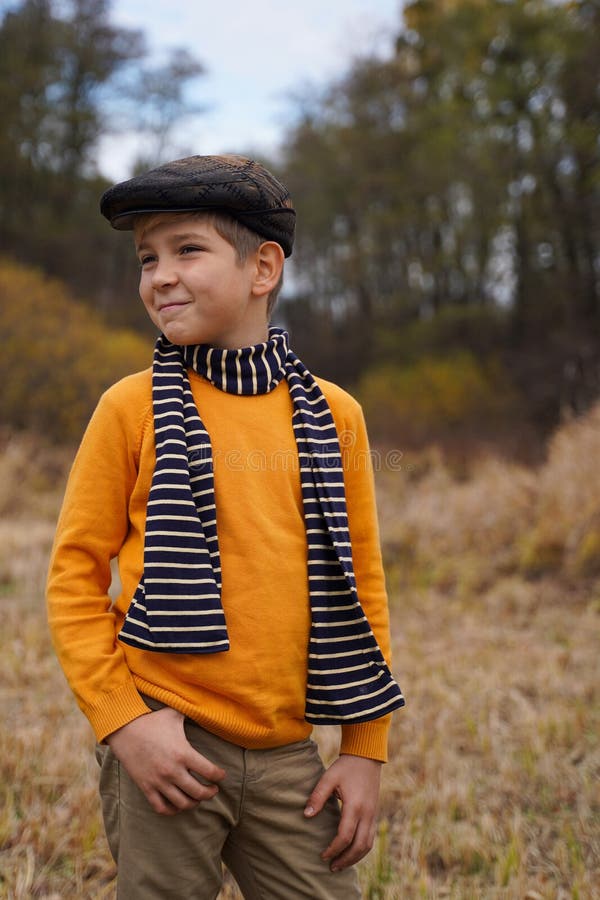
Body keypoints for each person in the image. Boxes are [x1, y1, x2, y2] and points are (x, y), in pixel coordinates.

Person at [46, 154, 405, 900]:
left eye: (187, 250)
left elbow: (360, 581)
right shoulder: (130, 407)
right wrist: (125, 724)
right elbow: (74, 579)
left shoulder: (334, 416)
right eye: (147, 259)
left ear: (263, 267)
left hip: (287, 755)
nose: (159, 276)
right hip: (165, 739)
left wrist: (365, 749)